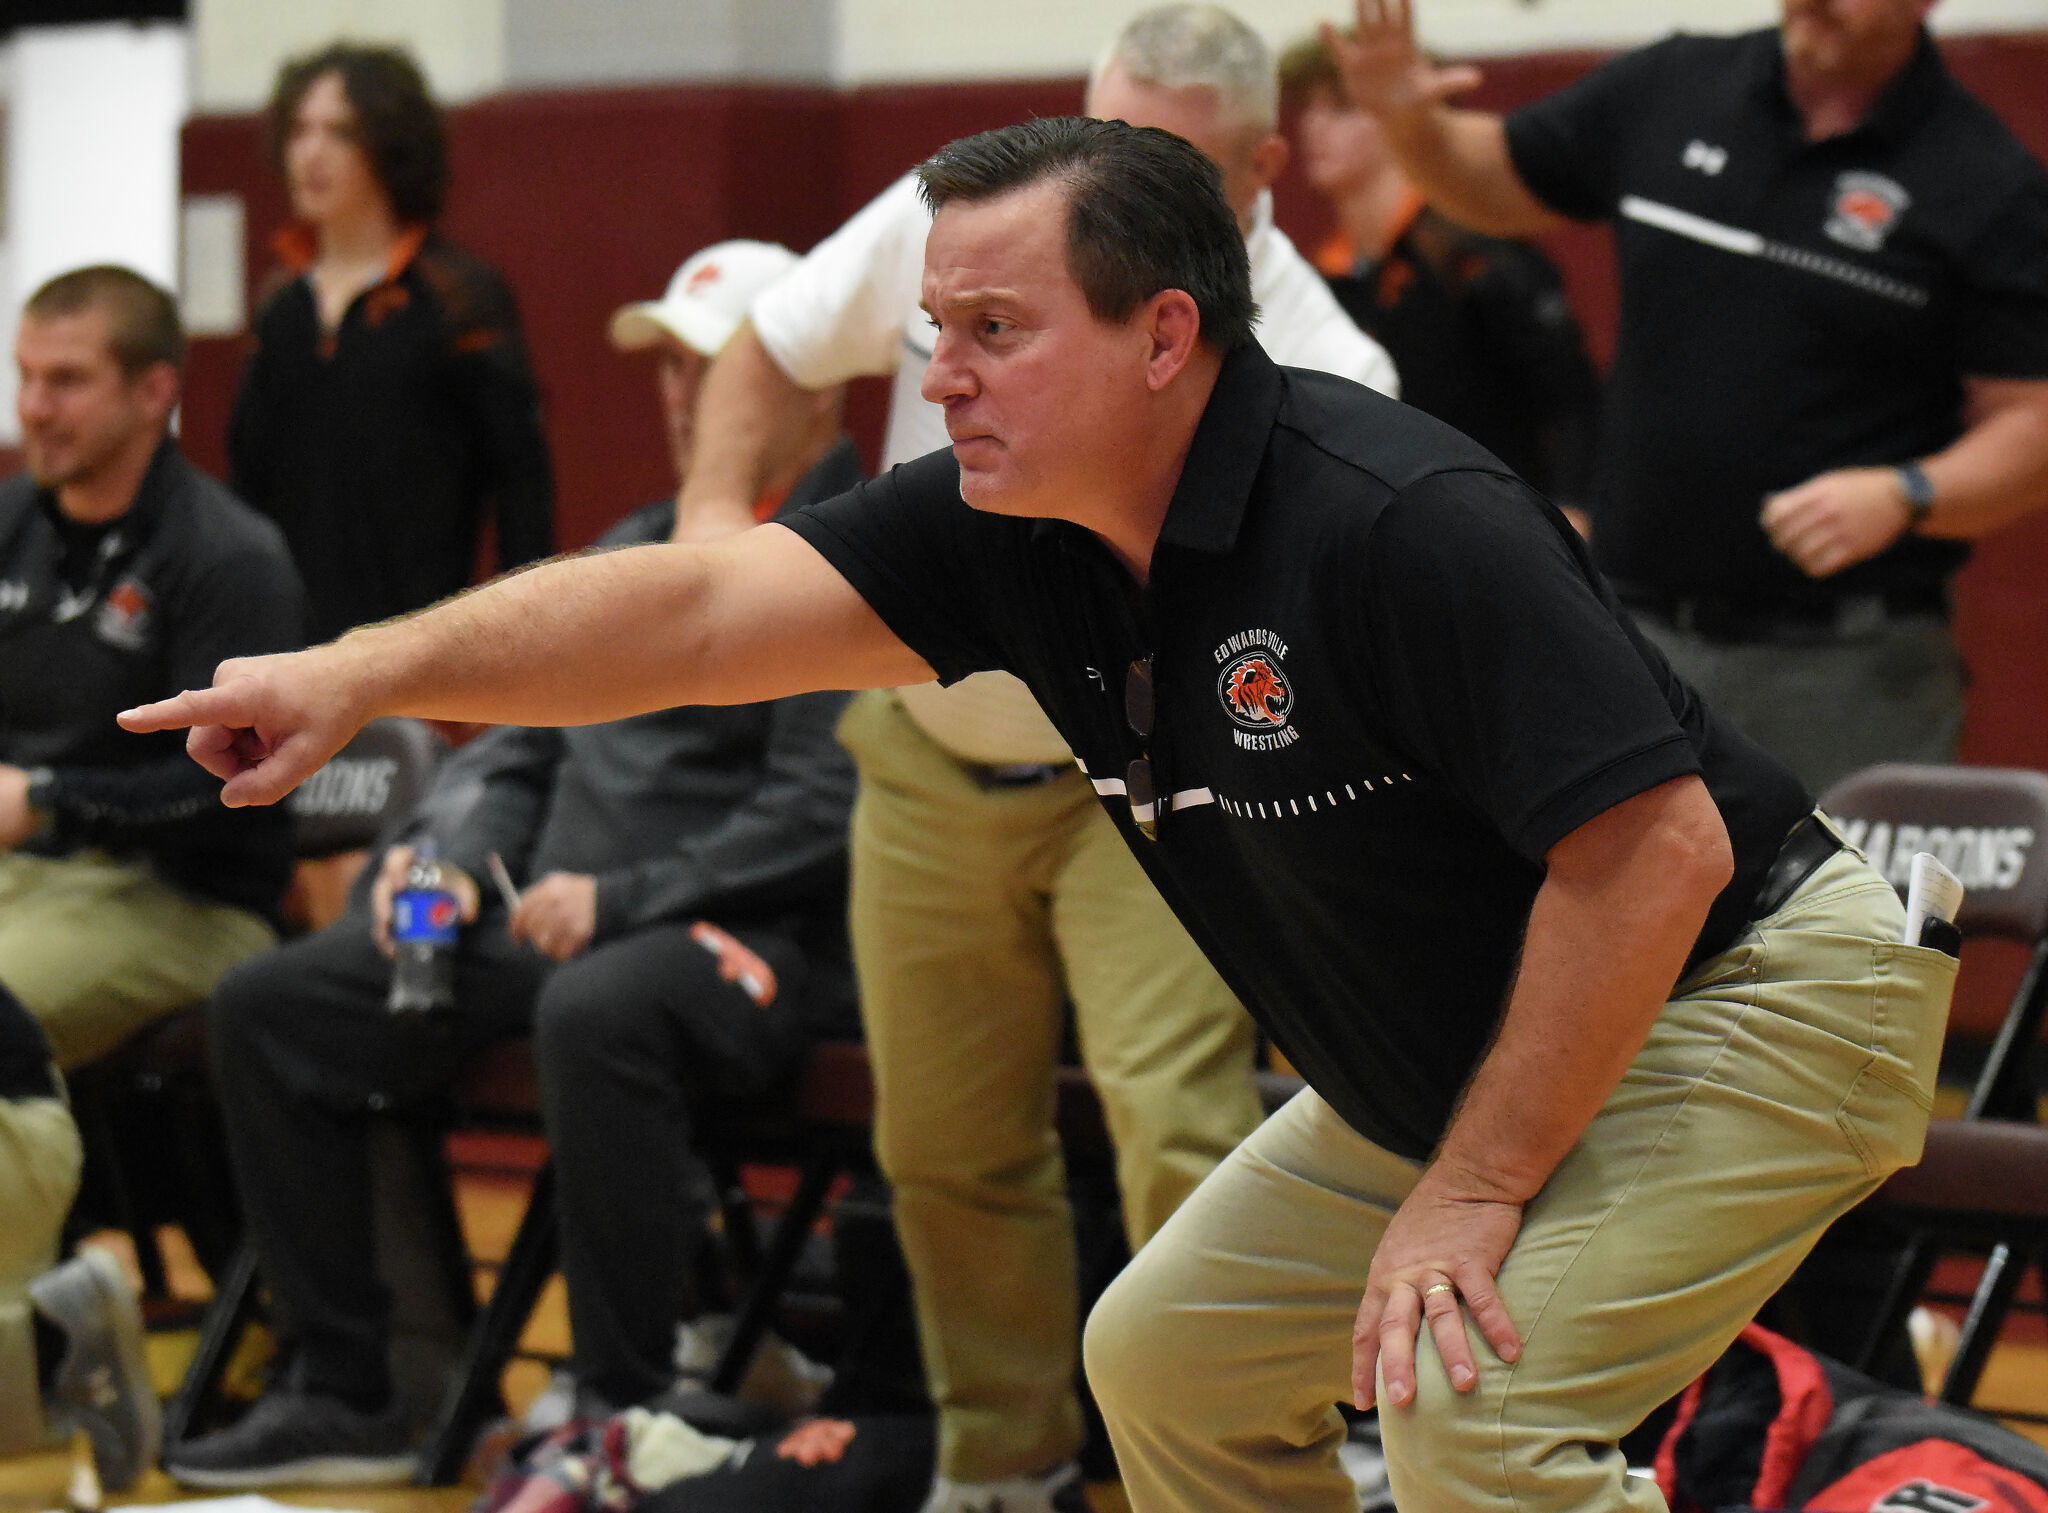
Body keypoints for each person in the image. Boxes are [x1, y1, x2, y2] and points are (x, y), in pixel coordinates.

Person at [124, 118, 1959, 1513]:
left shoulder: (1395, 514)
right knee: (1163, 1357)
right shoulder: (1001, 532)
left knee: (1470, 1404)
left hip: (1748, 998)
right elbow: (684, 617)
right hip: (1489, 1043)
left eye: (992, 329)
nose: (938, 378)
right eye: (935, 327)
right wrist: (360, 670)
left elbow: (1656, 849)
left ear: (1166, 335)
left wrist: (1469, 1191)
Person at [674, 12, 1398, 1507]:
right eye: (1107, 136)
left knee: (1180, 1135)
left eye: (1168, 161)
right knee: (941, 1144)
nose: (1114, 189)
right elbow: (774, 341)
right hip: (925, 754)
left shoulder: (1329, 361)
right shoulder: (969, 213)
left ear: (1263, 170)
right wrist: (709, 531)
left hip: (1139, 786)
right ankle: (1003, 1470)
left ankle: (1232, 1470)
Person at [163, 243, 864, 1488]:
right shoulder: (640, 543)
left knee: (601, 1004)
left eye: (707, 368)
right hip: (548, 923)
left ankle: (625, 1402)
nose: (676, 398)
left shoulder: (852, 557)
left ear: (809, 385)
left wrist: (621, 898)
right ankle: (357, 1386)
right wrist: (436, 854)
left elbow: (820, 809)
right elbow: (518, 758)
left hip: (747, 946)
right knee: (277, 1003)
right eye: (664, 370)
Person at [1321, 0, 2048, 796]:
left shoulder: (1987, 180)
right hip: (1639, 640)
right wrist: (1406, 121)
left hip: (1848, 670)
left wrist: (1909, 493)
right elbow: (1492, 180)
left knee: (1850, 920)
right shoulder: (1677, 84)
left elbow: (2030, 419)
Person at [0, 266, 306, 1071]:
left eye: (66, 381)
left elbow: (225, 792)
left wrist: (45, 800)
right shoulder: (11, 521)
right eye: (24, 377)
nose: (34, 408)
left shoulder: (227, 557)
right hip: (26, 872)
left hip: (185, 899)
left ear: (153, 392)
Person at [229, 42, 555, 644]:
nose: (312, 153)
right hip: (289, 648)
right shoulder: (279, 305)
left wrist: (520, 642)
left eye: (340, 133)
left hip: (418, 649)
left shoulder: (460, 294)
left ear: (390, 147)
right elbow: (246, 487)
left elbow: (521, 493)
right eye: (299, 130)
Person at [1279, 31, 1599, 509]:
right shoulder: (1315, 276)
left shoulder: (1474, 255)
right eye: (1310, 107)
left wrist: (1574, 510)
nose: (1313, 126)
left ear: (1401, 115)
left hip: (1502, 525)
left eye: (1341, 108)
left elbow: (1574, 401)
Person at [0, 983, 160, 1491]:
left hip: (16, 1136)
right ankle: (50, 1338)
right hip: (27, 1143)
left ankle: (48, 1341)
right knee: (14, 1427)